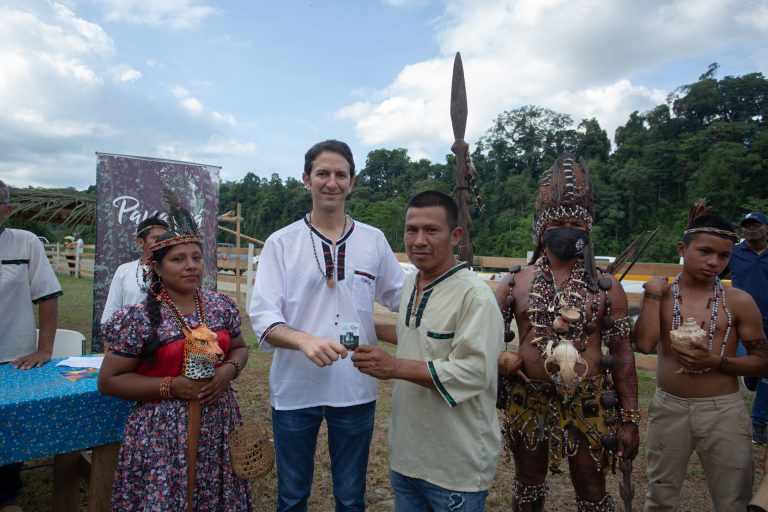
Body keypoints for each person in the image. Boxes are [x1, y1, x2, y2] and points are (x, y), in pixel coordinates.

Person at [248, 139, 404, 512]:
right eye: (323, 173)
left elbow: (403, 298)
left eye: (340, 174)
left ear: (352, 182)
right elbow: (263, 318)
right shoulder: (281, 243)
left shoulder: (373, 240)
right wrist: (304, 341)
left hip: (355, 387)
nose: (331, 182)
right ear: (306, 179)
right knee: (291, 495)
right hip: (295, 389)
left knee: (351, 497)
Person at [495, 157, 639, 511]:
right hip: (528, 400)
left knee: (592, 487)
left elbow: (622, 355)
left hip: (589, 402)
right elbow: (482, 340)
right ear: (542, 226)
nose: (567, 228)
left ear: (587, 227)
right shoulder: (515, 280)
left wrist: (630, 418)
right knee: (527, 485)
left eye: (576, 222)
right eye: (558, 221)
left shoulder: (606, 286)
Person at [352, 190, 504, 510]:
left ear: (455, 236)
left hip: (454, 468)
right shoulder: (412, 283)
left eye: (431, 230)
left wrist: (393, 368)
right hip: (407, 457)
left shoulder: (474, 297)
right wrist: (361, 328)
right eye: (412, 230)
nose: (419, 240)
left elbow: (474, 371)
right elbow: (413, 333)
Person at [98, 199, 252, 511]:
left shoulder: (220, 306)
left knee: (213, 496)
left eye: (196, 257)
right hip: (161, 434)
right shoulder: (139, 317)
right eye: (178, 259)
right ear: (156, 266)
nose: (191, 265)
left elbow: (240, 347)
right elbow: (110, 381)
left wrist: (228, 371)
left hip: (218, 425)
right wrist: (171, 386)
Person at [636, 199, 768, 511]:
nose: (714, 262)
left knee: (732, 497)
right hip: (669, 406)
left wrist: (718, 362)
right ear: (682, 248)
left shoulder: (738, 301)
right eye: (705, 251)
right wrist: (653, 296)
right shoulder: (663, 295)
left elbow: (762, 362)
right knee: (660, 496)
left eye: (724, 256)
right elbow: (644, 344)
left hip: (724, 411)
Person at [0, 178, 62, 511]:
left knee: (8, 425)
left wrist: (45, 349)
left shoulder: (24, 243)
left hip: (12, 355)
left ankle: (7, 495)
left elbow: (48, 295)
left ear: (6, 211)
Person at [728, 212, 768, 445]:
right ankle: (751, 375)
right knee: (754, 367)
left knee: (766, 373)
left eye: (757, 225)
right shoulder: (734, 253)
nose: (752, 229)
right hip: (740, 321)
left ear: (766, 229)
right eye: (747, 226)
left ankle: (758, 423)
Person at [100, 213, 169, 324]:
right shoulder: (124, 271)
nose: (162, 242)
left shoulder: (176, 271)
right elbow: (111, 309)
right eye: (156, 238)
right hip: (131, 337)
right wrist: (108, 337)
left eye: (166, 238)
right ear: (140, 242)